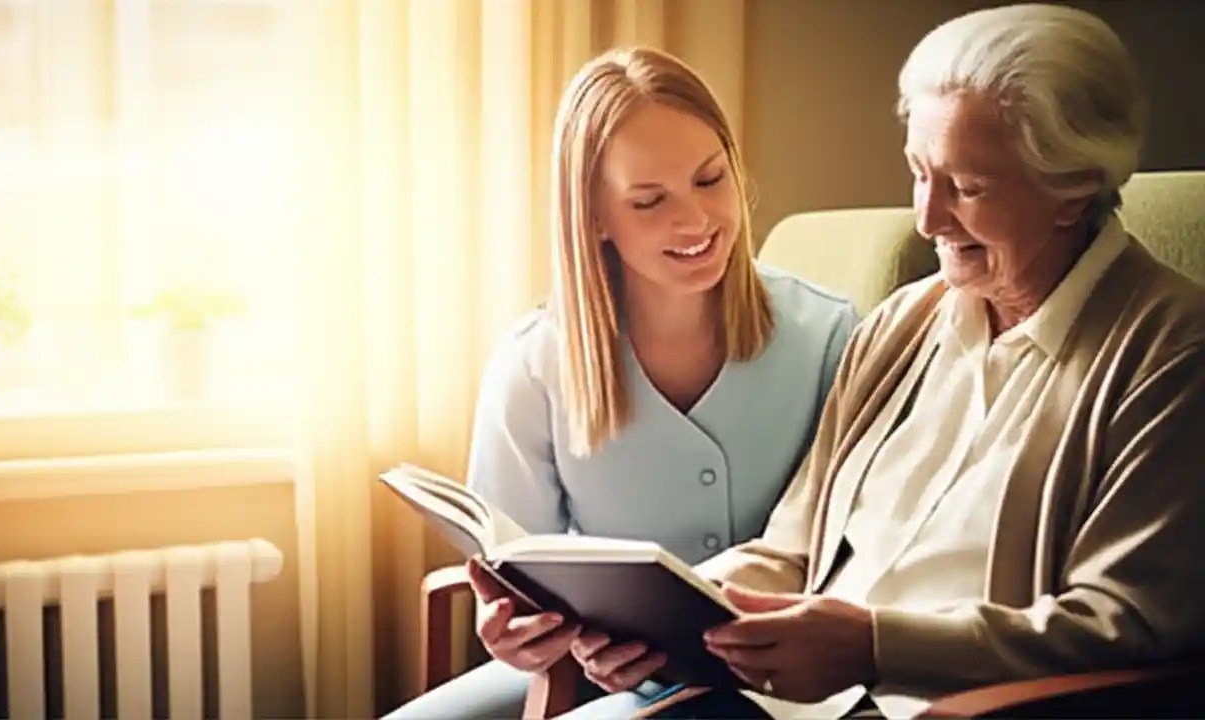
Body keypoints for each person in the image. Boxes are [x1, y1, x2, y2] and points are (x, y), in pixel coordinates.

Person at [562, 5, 1205, 718]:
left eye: (967, 187)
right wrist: (661, 619)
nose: (927, 219)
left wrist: (874, 645)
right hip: (790, 701)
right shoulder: (902, 323)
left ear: (1073, 188)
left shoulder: (1173, 350)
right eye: (918, 173)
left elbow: (1126, 623)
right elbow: (791, 551)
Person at [385, 47, 858, 719]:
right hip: (595, 675)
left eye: (710, 179)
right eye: (649, 201)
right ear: (595, 217)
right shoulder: (533, 366)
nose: (694, 220)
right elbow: (512, 587)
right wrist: (520, 639)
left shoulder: (831, 336)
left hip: (781, 689)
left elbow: (871, 554)